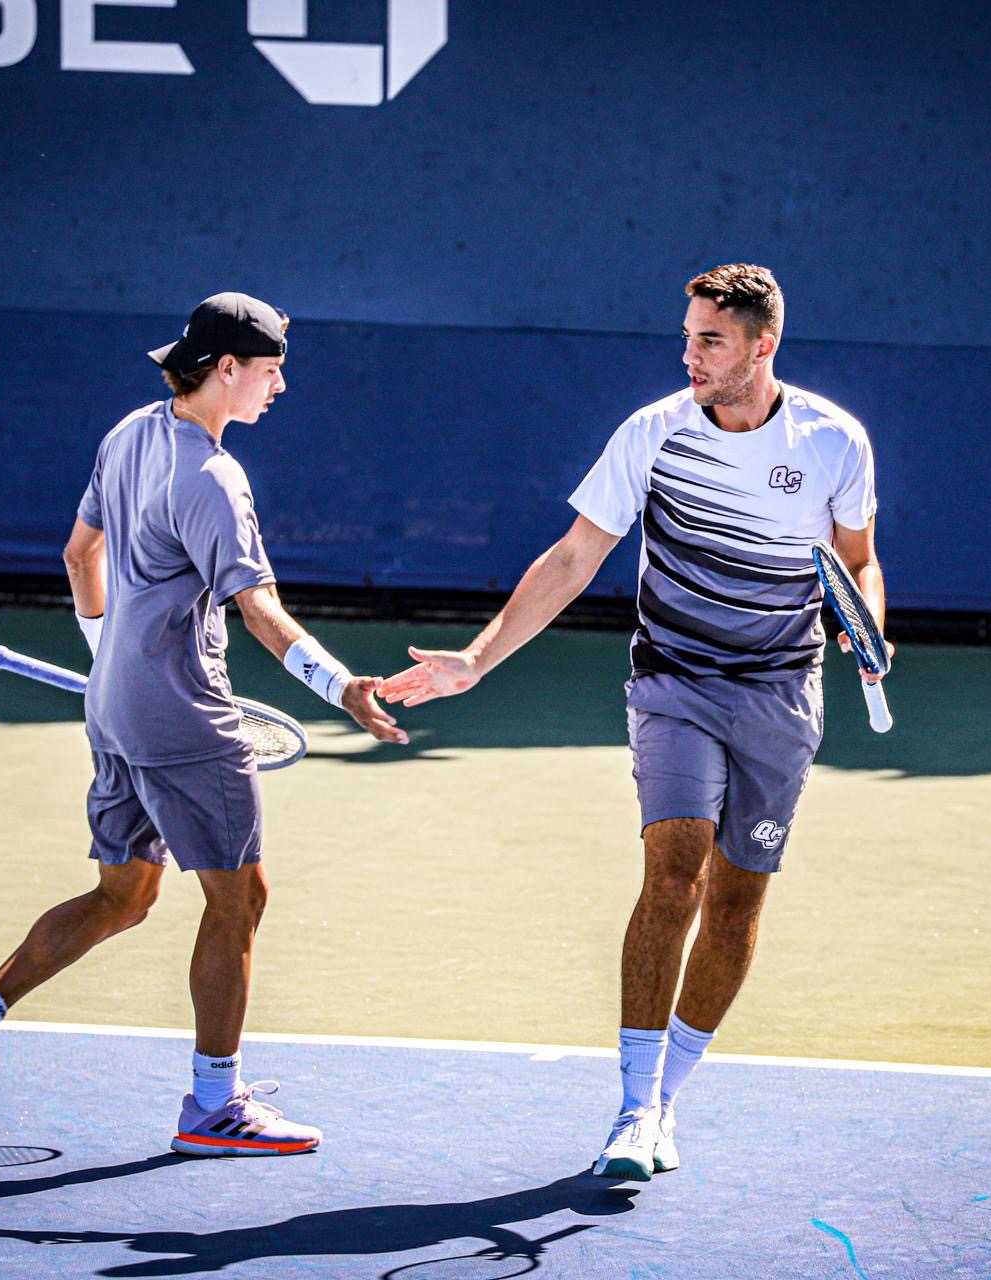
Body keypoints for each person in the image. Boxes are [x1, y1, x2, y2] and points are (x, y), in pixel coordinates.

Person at [379, 264, 889, 1181]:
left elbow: (858, 560)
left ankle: (670, 1097)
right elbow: (576, 554)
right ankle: (632, 1106)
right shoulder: (653, 434)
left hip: (781, 693)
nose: (690, 354)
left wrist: (868, 626)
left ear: (761, 346)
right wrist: (478, 657)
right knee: (674, 873)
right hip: (675, 681)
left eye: (712, 340)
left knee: (736, 906)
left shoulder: (833, 441)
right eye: (689, 336)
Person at [0, 292, 408, 1156]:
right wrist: (339, 686)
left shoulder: (128, 431)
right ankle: (215, 1106)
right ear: (228, 368)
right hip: (184, 718)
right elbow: (260, 610)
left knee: (124, 894)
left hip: (113, 711)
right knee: (239, 897)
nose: (281, 386)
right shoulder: (216, 477)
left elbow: (78, 555)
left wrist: (107, 653)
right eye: (273, 370)